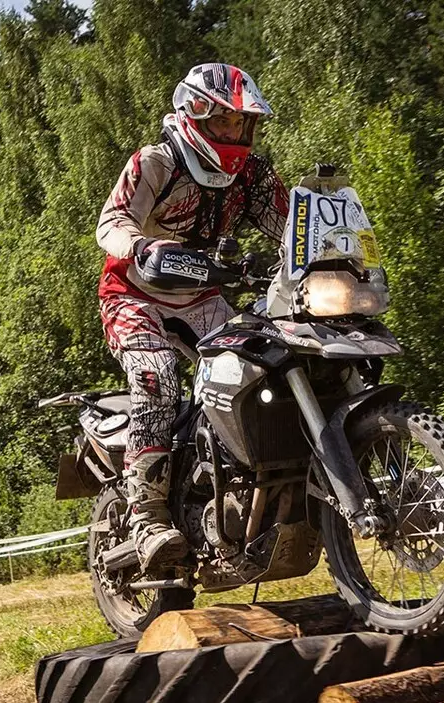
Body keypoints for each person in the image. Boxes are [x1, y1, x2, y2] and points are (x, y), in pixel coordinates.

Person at [96, 63, 289, 573]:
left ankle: (234, 488)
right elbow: (111, 220)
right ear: (195, 116)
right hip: (133, 293)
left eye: (243, 125)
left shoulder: (251, 177)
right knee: (156, 375)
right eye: (226, 123)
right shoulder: (155, 163)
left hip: (202, 295)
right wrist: (140, 246)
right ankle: (147, 515)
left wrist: (335, 250)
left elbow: (291, 223)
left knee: (257, 366)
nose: (236, 135)